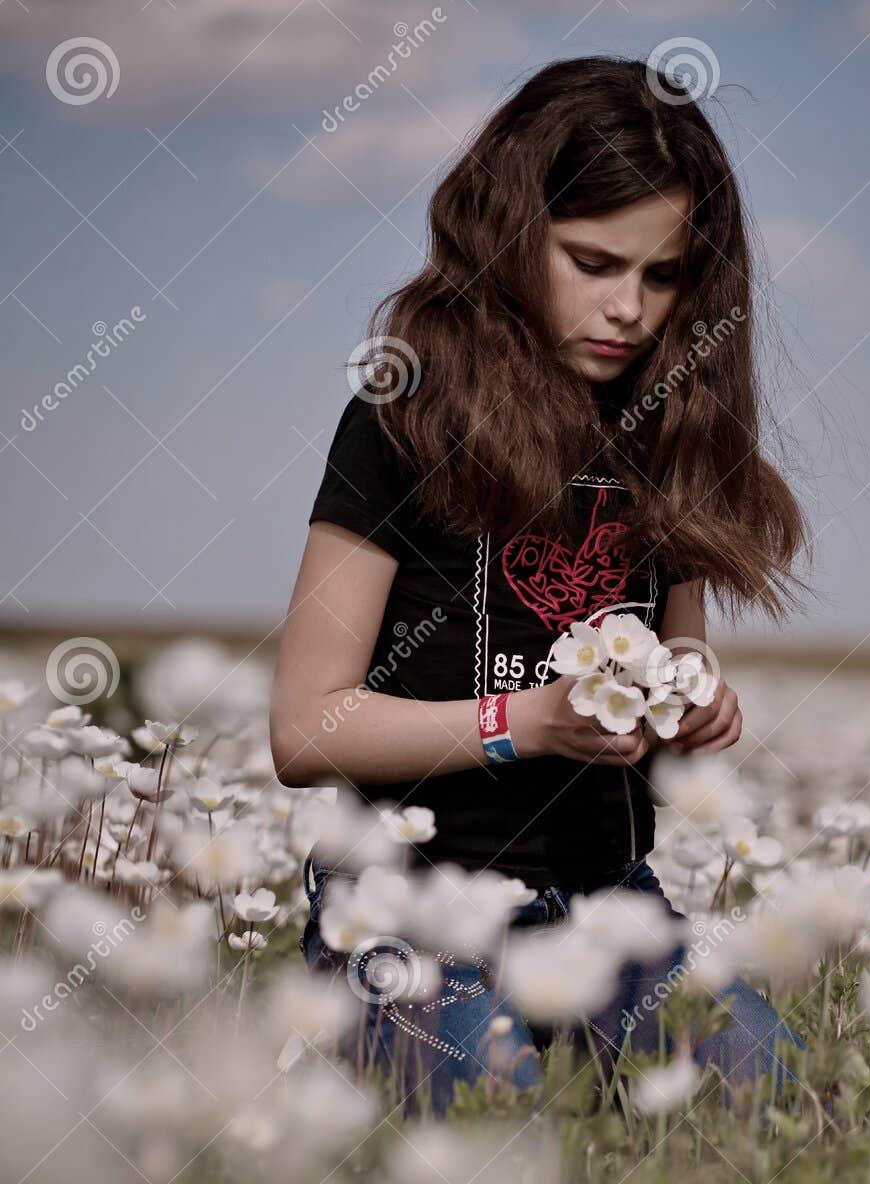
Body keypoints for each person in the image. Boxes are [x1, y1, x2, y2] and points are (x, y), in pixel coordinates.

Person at [270, 54, 814, 1118]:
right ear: (508, 231)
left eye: (662, 278)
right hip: (412, 905)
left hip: (610, 899)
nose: (628, 309)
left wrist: (693, 695)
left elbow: (680, 647)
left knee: (779, 1118)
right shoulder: (403, 418)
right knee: (483, 1142)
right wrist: (525, 723)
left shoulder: (667, 426)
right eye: (591, 261)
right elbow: (305, 727)